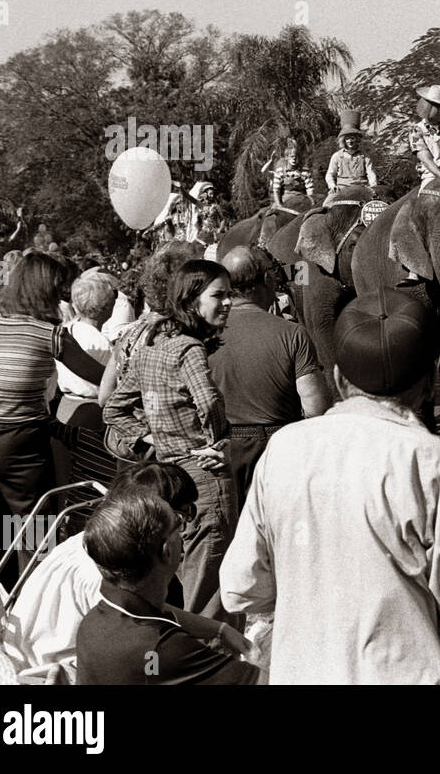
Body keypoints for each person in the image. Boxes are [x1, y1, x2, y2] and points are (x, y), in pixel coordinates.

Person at [220, 286, 440, 684]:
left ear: (339, 379)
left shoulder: (284, 448)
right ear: (428, 385)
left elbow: (240, 589)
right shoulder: (428, 458)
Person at [0, 461, 248, 680]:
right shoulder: (102, 574)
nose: (186, 531)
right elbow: (140, 642)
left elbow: (140, 612)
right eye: (180, 519)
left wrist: (220, 630)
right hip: (53, 672)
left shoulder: (100, 548)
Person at [0, 253, 105, 588]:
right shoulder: (49, 333)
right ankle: (33, 604)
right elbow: (98, 375)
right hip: (26, 446)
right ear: (46, 289)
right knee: (37, 536)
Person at [103, 260, 235, 622]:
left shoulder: (151, 345)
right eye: (218, 296)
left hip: (167, 477)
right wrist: (216, 442)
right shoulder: (189, 348)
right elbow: (207, 400)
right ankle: (207, 663)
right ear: (191, 300)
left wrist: (150, 437)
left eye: (229, 295)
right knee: (210, 586)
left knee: (180, 579)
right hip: (203, 477)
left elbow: (113, 407)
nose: (227, 303)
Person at [76, 489, 258, 685]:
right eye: (178, 523)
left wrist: (221, 629)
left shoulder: (95, 621)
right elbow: (268, 680)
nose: (184, 530)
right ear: (167, 550)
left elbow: (159, 612)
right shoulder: (161, 651)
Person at [208, 246, 329, 504]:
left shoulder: (204, 335)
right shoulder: (292, 333)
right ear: (266, 280)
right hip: (278, 453)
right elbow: (316, 409)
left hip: (221, 453)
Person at [98, 241, 203, 408]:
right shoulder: (184, 336)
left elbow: (105, 397)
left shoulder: (130, 332)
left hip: (127, 427)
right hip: (167, 430)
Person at [55, 276, 116, 428]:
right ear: (108, 307)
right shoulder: (103, 344)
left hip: (64, 408)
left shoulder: (65, 332)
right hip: (91, 413)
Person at [324, 110, 377, 196]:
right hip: (341, 189)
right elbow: (330, 174)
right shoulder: (337, 156)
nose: (350, 141)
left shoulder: (365, 156)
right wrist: (332, 185)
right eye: (347, 138)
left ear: (357, 139)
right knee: (326, 204)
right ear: (343, 140)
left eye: (352, 138)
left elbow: (371, 173)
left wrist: (373, 186)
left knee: (377, 204)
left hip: (362, 189)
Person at [263, 139, 316, 206]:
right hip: (286, 201)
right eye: (292, 156)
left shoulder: (305, 172)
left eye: (296, 157)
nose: (294, 159)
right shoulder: (280, 172)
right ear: (286, 158)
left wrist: (311, 201)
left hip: (302, 201)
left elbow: (310, 189)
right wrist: (279, 204)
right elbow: (276, 190)